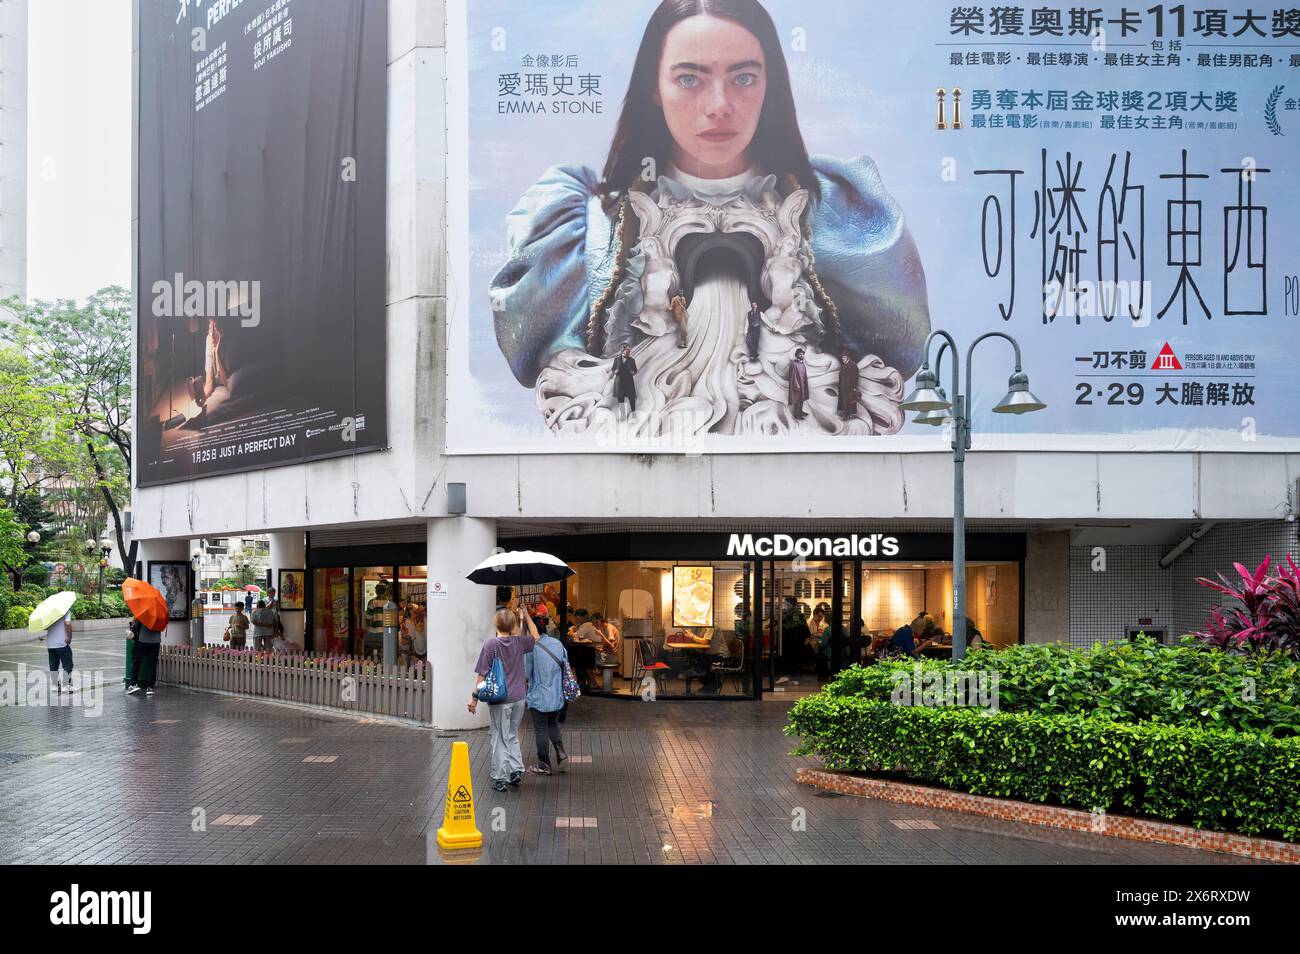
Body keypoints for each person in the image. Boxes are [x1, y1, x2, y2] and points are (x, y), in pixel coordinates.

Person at [490, 0, 930, 440]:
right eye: (689, 79)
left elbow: (897, 344)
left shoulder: (837, 212)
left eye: (743, 78)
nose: (719, 105)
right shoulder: (587, 223)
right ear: (653, 88)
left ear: (769, 85)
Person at [468, 608, 539, 792]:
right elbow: (536, 636)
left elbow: (482, 675)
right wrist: (527, 614)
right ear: (513, 624)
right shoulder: (519, 642)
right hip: (519, 697)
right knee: (512, 734)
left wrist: (474, 698)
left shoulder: (491, 645)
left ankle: (500, 777)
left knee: (499, 737)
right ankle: (516, 769)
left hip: (501, 699)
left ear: (496, 624)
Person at [524, 623, 570, 776]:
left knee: (541, 729)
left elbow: (525, 673)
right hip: (557, 695)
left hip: (539, 696)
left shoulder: (532, 647)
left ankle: (544, 764)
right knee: (552, 724)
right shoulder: (557, 643)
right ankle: (561, 752)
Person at [126, 616, 162, 696]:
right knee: (152, 665)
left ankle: (133, 684)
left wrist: (132, 622)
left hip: (142, 641)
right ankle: (150, 687)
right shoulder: (160, 615)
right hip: (155, 642)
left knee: (136, 662)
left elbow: (133, 623)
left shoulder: (143, 612)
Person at [44, 608, 75, 694]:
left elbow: (45, 627)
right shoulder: (66, 611)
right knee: (67, 665)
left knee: (53, 665)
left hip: (51, 644)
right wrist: (69, 637)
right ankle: (66, 686)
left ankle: (55, 685)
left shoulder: (49, 612)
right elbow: (67, 623)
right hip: (62, 643)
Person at [609, 345, 638, 415]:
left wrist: (633, 372)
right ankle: (622, 415)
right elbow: (613, 368)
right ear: (623, 350)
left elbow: (635, 370)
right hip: (619, 382)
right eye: (627, 349)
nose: (629, 351)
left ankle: (634, 413)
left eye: (629, 349)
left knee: (632, 398)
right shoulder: (617, 360)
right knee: (620, 399)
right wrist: (615, 371)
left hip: (629, 382)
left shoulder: (632, 360)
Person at [788, 347, 809, 421]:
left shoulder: (802, 363)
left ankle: (800, 411)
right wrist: (797, 385)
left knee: (802, 399)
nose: (802, 356)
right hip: (797, 386)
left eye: (803, 354)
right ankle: (797, 415)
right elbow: (793, 376)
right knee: (797, 400)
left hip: (803, 384)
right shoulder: (794, 364)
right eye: (800, 354)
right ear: (797, 355)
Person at [837, 351, 859, 419]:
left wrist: (854, 387)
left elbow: (856, 377)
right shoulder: (844, 365)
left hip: (850, 387)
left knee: (849, 400)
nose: (843, 359)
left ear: (847, 357)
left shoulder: (853, 365)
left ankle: (848, 414)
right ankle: (846, 413)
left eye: (844, 357)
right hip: (843, 386)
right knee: (844, 400)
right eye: (842, 357)